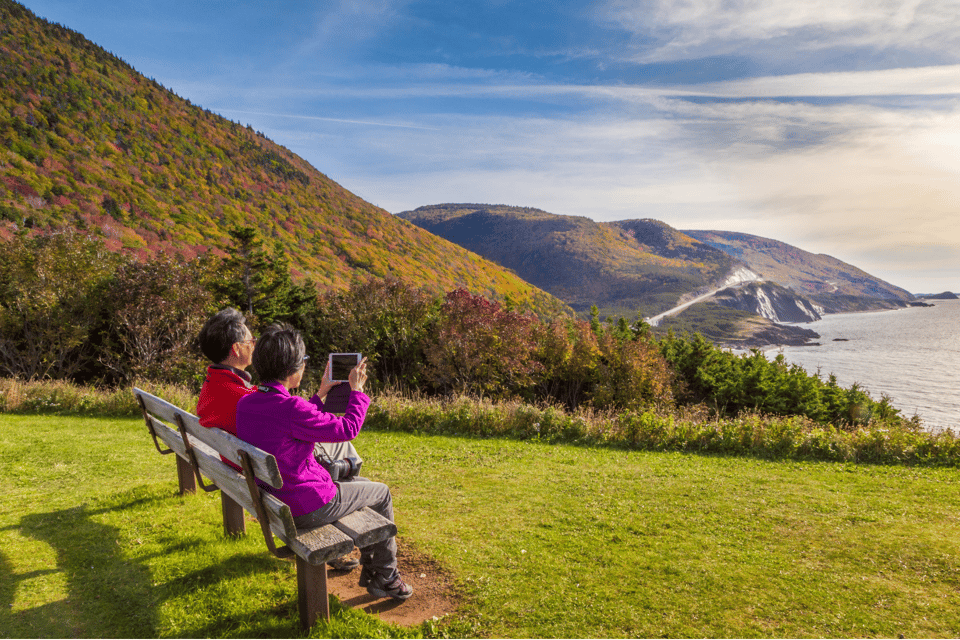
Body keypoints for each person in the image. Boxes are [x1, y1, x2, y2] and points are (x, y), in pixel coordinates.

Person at [235, 323, 412, 601]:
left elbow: (288, 422)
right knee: (381, 492)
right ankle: (386, 577)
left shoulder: (247, 404)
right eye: (303, 361)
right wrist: (357, 391)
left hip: (278, 501)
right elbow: (346, 429)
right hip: (309, 505)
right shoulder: (292, 408)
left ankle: (376, 569)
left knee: (362, 484)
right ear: (294, 370)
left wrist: (320, 395)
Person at [196, 307, 363, 571]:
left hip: (251, 474)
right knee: (342, 457)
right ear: (237, 349)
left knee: (338, 455)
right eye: (251, 341)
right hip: (278, 484)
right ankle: (345, 476)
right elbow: (286, 419)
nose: (254, 345)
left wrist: (318, 396)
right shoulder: (240, 397)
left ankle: (344, 474)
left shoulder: (214, 386)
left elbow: (282, 417)